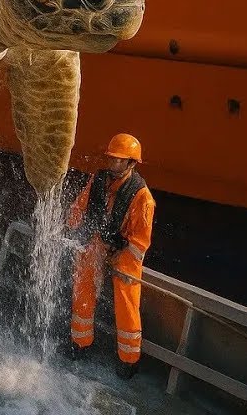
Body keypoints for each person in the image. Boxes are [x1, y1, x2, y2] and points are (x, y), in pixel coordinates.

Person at [65, 133, 156, 380]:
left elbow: (140, 241)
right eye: (112, 159)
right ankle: (80, 343)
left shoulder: (142, 197)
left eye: (119, 160)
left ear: (131, 163)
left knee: (126, 301)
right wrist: (71, 229)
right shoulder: (98, 180)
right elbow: (80, 207)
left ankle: (129, 360)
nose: (114, 164)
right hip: (98, 241)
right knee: (83, 284)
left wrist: (121, 255)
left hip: (125, 251)